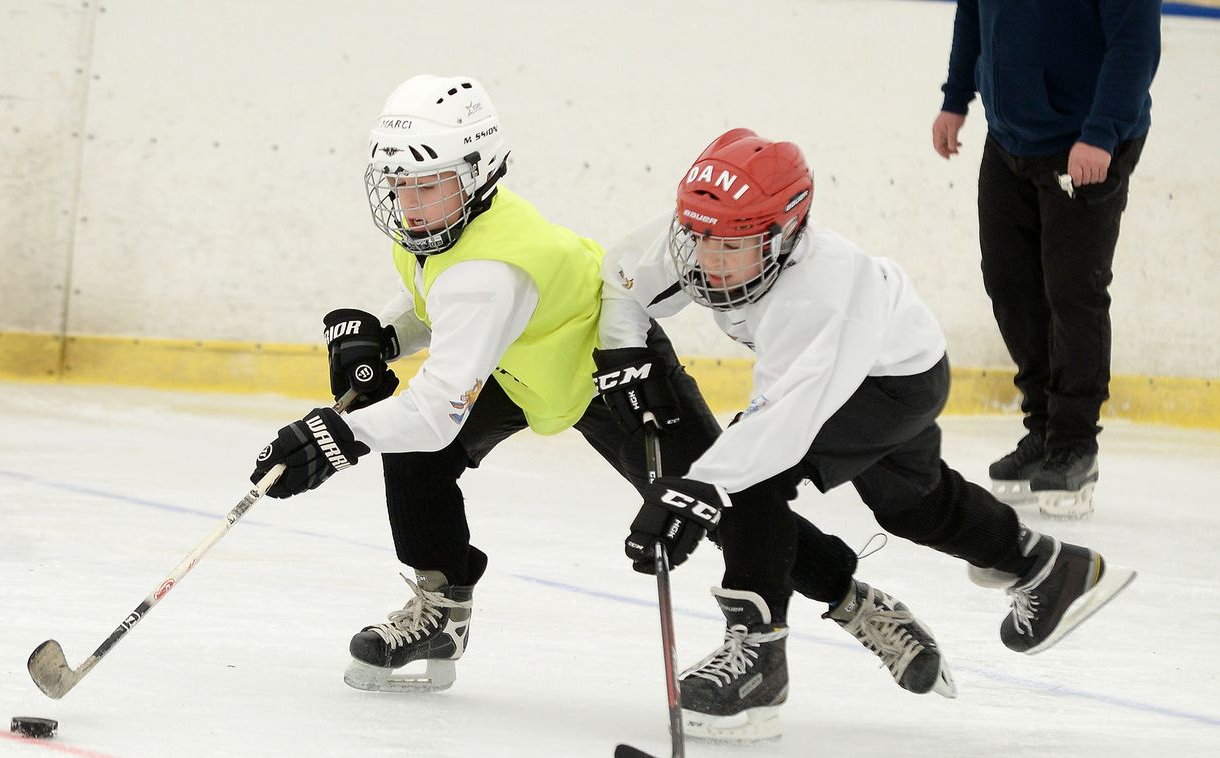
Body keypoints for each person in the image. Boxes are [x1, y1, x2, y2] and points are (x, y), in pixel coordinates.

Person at [247, 75, 953, 699]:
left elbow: (441, 388)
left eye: (425, 185)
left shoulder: (489, 270)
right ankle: (440, 610)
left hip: (609, 369)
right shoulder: (445, 222)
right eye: (398, 185)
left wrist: (338, 434)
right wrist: (388, 337)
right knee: (415, 449)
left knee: (710, 502)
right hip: (523, 365)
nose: (409, 204)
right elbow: (444, 305)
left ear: (476, 173)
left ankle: (858, 603)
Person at [607, 128, 1136, 741]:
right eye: (696, 238)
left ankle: (757, 666)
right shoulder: (706, 228)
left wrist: (694, 492)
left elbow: (776, 431)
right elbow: (621, 273)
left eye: (731, 247)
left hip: (889, 384)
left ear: (785, 236)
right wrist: (623, 356)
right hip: (899, 356)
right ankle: (1047, 567)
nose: (706, 260)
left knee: (752, 483)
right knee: (912, 505)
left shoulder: (822, 293)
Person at [931, 0, 1161, 517]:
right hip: (1010, 138)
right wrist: (955, 97)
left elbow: (1136, 44)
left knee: (1072, 291)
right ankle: (1042, 428)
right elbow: (974, 12)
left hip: (1088, 141)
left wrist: (1101, 133)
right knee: (1009, 284)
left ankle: (1075, 442)